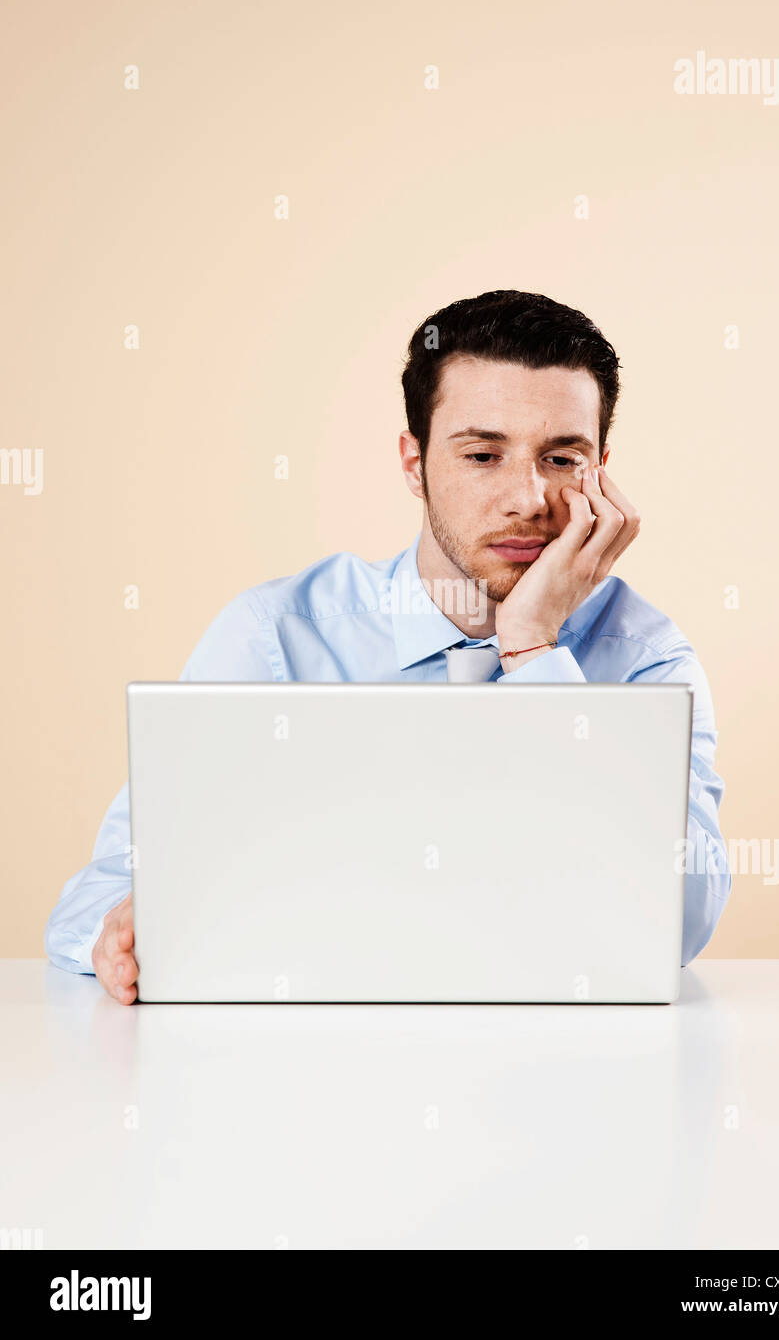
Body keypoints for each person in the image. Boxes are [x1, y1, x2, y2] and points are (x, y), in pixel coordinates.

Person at [45, 289, 731, 1003]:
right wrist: (122, 929)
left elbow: (677, 924)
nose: (528, 499)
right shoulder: (278, 635)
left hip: (556, 1066)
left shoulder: (648, 657)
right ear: (414, 463)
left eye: (561, 459)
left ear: (601, 473)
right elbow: (106, 888)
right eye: (483, 454)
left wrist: (532, 651)